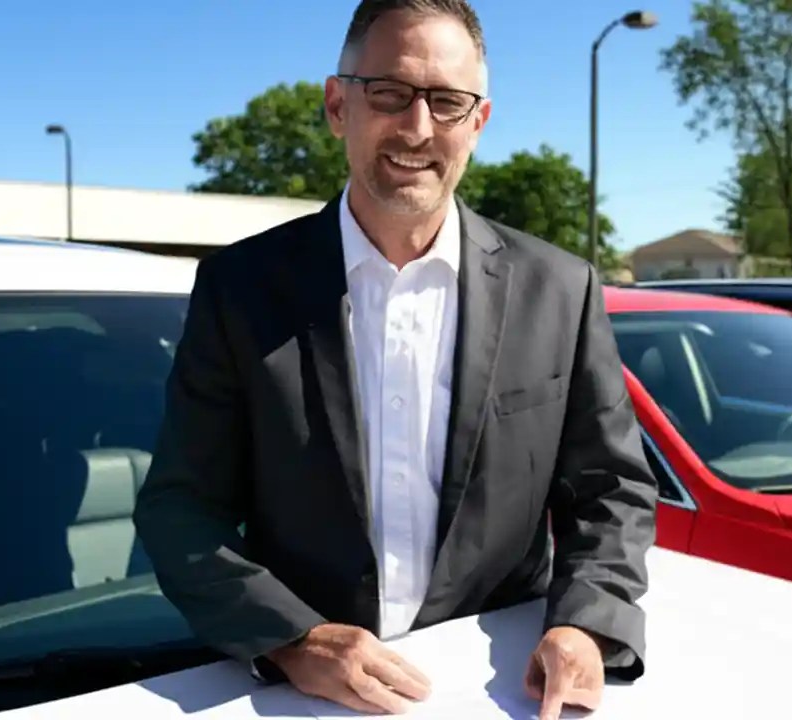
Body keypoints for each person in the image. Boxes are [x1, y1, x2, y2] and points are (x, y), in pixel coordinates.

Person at [132, 1, 658, 717]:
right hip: (304, 701)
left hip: (500, 690)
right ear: (337, 105)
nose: (417, 128)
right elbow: (182, 508)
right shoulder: (241, 290)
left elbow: (610, 488)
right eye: (389, 93)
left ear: (479, 121)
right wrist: (291, 637)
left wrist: (587, 624)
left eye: (447, 102)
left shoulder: (560, 290)